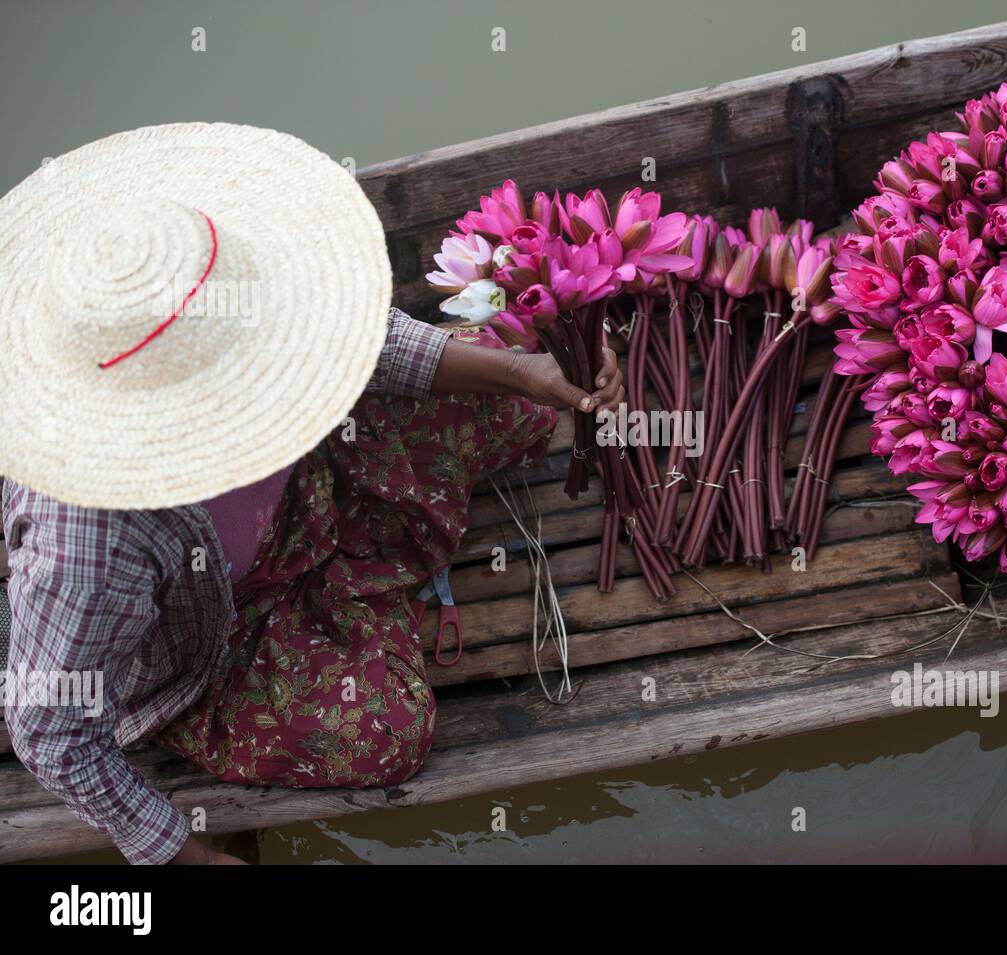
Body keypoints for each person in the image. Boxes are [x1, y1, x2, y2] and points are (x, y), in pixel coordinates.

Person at [0, 123, 622, 864]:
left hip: (309, 495)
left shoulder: (226, 282)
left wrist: (527, 372)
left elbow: (355, 338)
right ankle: (350, 594)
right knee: (387, 731)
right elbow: (49, 730)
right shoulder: (93, 541)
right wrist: (183, 855)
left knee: (516, 406)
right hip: (211, 636)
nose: (282, 369)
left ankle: (355, 578)